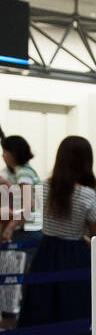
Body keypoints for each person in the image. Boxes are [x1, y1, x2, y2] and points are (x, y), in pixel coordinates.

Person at [9, 136, 96, 335]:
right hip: (76, 258)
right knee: (76, 320)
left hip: (45, 255)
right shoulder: (87, 194)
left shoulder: (44, 187)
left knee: (38, 316)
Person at [0, 134, 41, 319]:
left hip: (27, 233)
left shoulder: (23, 173)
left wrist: (10, 228)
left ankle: (21, 324)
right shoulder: (27, 171)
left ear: (11, 153)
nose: (3, 156)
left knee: (20, 281)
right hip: (32, 231)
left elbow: (29, 204)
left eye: (4, 152)